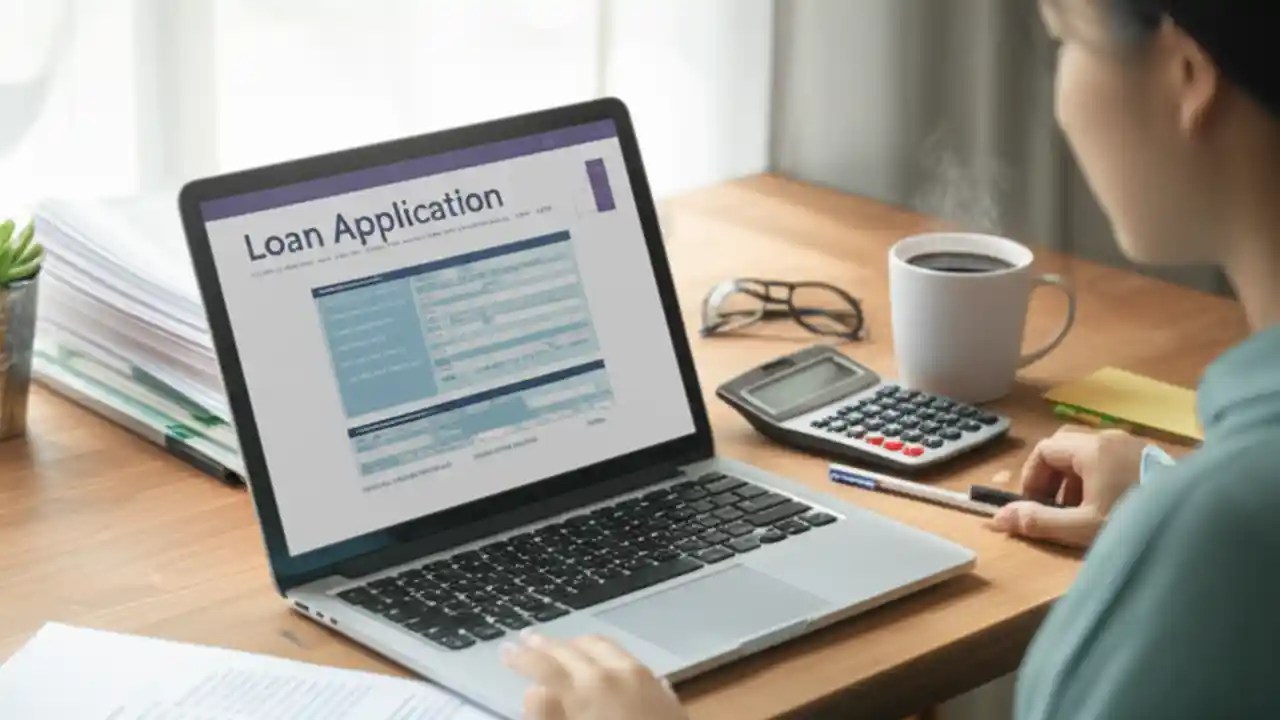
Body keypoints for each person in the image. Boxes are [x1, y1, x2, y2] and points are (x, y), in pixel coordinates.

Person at [502, 0, 1280, 717]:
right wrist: (1161, 489)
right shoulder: (1221, 513)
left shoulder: (1221, 541)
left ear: (1186, 77)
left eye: (1064, 42)